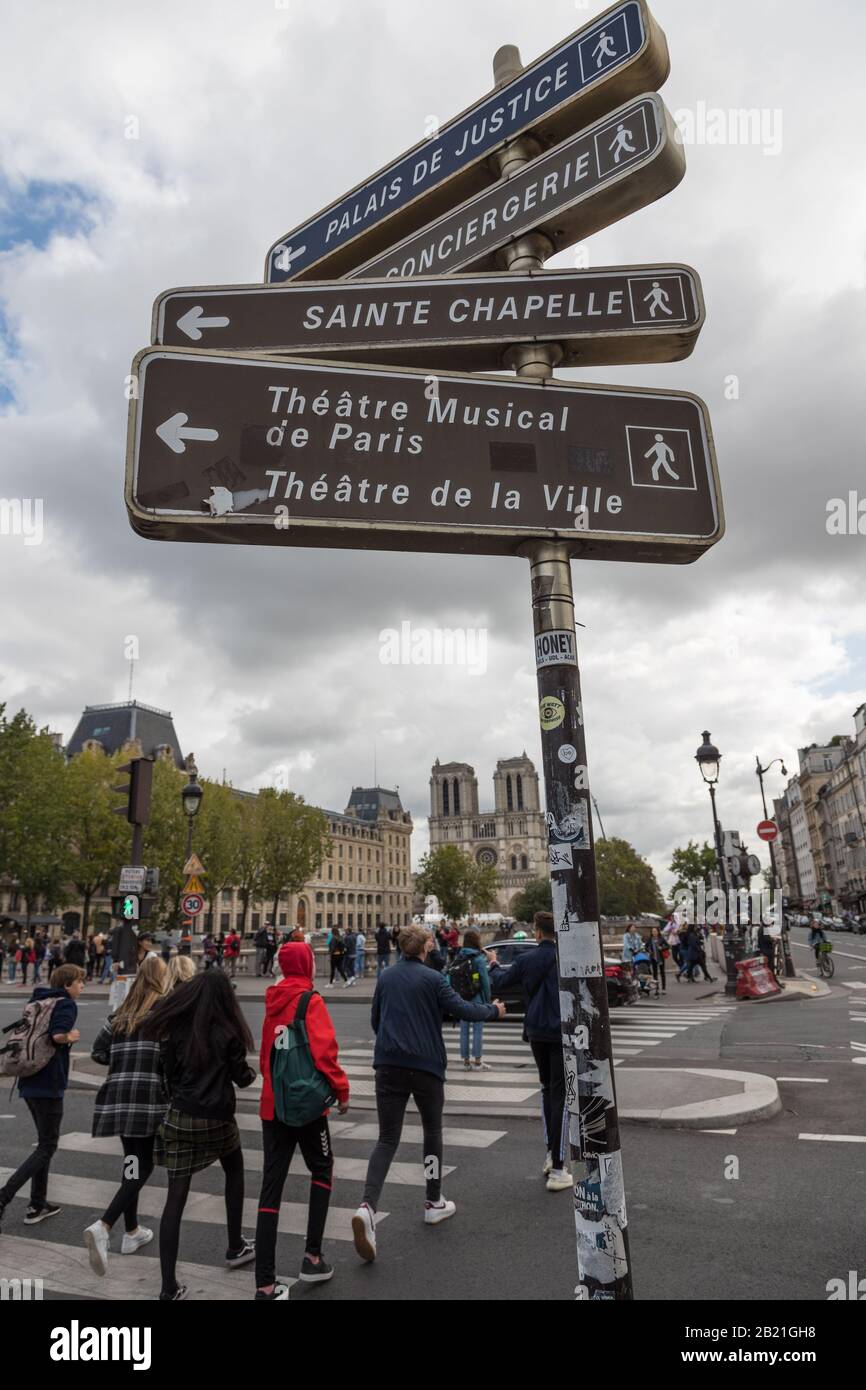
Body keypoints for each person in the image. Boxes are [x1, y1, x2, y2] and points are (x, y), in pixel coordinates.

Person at [351, 924, 504, 1264]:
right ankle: (433, 1201)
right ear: (423, 948)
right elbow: (464, 1009)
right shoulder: (434, 979)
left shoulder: (386, 977)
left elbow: (376, 1020)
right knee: (432, 1131)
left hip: (388, 1064)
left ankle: (367, 1206)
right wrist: (494, 1010)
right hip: (426, 1066)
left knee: (387, 1138)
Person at [141, 970, 257, 1301]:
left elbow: (168, 1073)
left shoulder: (175, 1027)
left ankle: (168, 1287)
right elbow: (242, 1078)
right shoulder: (228, 1029)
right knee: (234, 1170)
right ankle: (235, 1245)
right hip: (218, 1117)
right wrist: (251, 1072)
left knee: (175, 1199)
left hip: (181, 1115)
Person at [254, 941, 351, 1298]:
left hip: (273, 1105)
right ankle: (312, 1256)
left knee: (271, 1186)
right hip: (307, 1107)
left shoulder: (271, 1000)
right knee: (322, 1169)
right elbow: (325, 1054)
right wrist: (341, 1091)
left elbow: (266, 1057)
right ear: (308, 964)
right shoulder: (311, 1000)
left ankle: (265, 1282)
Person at [83, 956, 169, 1275]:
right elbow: (171, 1058)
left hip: (120, 1098)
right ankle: (105, 1226)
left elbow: (97, 1052)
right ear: (161, 979)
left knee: (131, 1162)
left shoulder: (121, 1015)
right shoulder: (164, 1015)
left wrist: (121, 1065)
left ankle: (131, 1232)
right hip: (148, 1099)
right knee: (143, 1165)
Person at [488, 912, 571, 1192]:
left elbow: (500, 980)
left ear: (536, 933)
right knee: (560, 1096)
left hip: (536, 1030)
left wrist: (493, 965)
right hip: (561, 1032)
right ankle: (559, 1168)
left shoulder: (527, 959)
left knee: (547, 1090)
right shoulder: (566, 957)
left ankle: (550, 1154)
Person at [0, 963, 84, 1232]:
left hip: (27, 1079)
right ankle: (4, 1196)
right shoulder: (66, 1004)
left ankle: (37, 1204)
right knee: (47, 1145)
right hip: (49, 1082)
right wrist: (71, 1035)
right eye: (80, 982)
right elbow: (58, 1035)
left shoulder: (38, 1000)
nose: (82, 987)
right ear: (68, 984)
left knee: (43, 1144)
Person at [451, 928, 492, 1070]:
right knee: (477, 1030)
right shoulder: (478, 959)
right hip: (477, 999)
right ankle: (478, 1061)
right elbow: (485, 982)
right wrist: (487, 1000)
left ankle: (466, 1062)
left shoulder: (459, 956)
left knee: (464, 1030)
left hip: (462, 998)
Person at [647, 925, 668, 994]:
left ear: (658, 932)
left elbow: (667, 946)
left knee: (662, 973)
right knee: (655, 974)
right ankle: (657, 988)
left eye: (655, 931)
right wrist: (649, 950)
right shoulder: (650, 939)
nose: (654, 932)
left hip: (661, 958)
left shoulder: (661, 938)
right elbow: (646, 947)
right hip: (653, 958)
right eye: (653, 931)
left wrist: (661, 948)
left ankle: (664, 988)